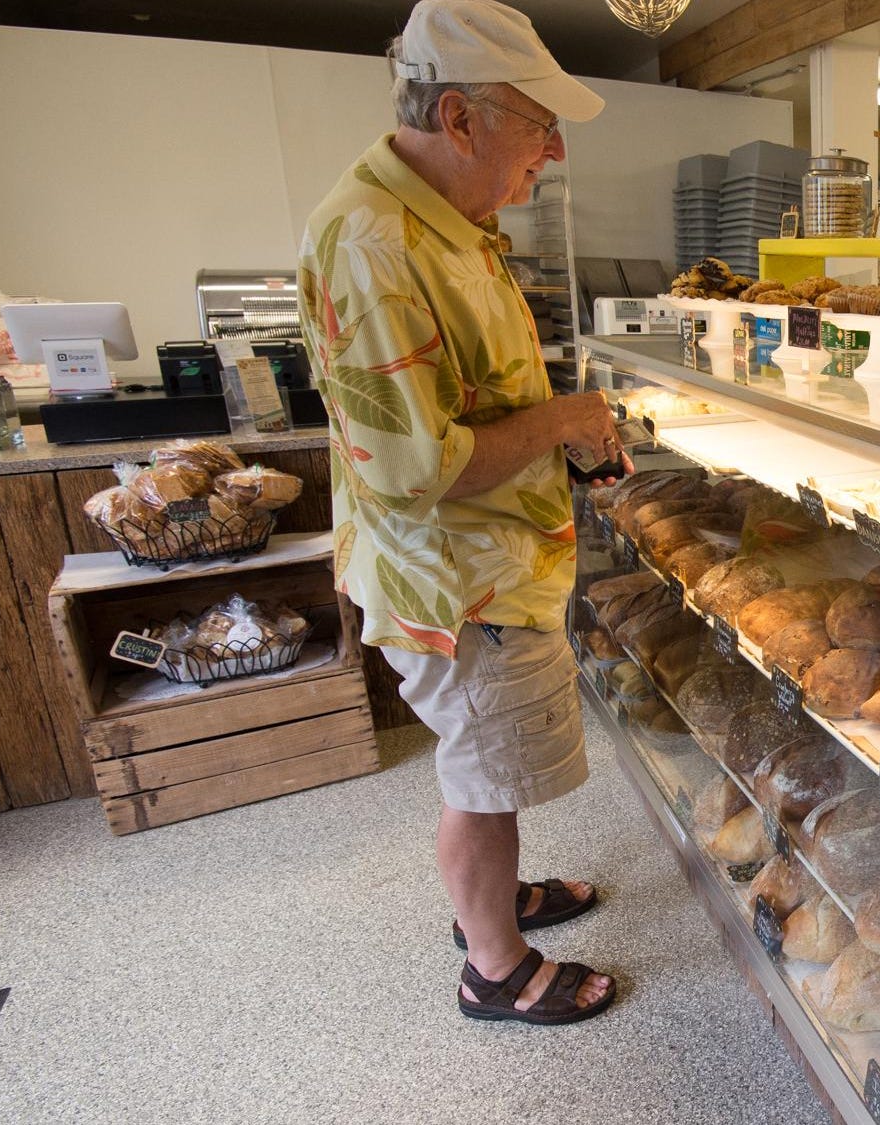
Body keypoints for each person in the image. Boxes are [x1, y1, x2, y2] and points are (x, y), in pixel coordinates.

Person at [296, 0, 625, 1026]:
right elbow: (413, 470)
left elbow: (470, 400)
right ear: (459, 117)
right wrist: (563, 419)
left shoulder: (448, 218)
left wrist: (561, 443)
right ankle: (495, 966)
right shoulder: (374, 245)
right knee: (480, 777)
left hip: (492, 561)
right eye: (539, 125)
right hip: (458, 587)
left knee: (491, 764)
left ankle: (498, 898)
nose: (554, 151)